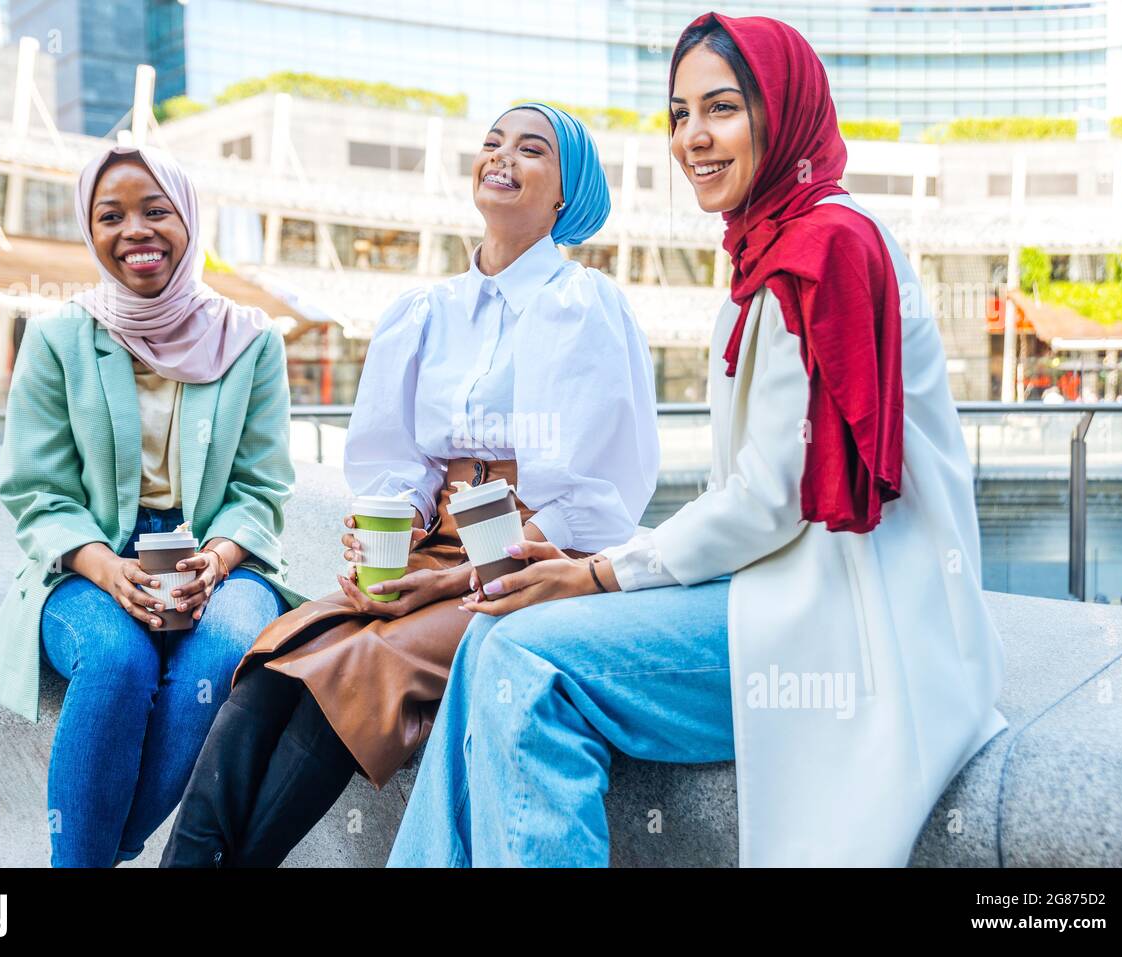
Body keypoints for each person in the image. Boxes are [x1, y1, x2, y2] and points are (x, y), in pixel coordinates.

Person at [387, 13, 1009, 868]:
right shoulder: (775, 245)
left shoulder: (825, 250)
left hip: (846, 623)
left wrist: (602, 570)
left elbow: (772, 496)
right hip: (782, 592)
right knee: (489, 640)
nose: (693, 138)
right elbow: (756, 497)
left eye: (721, 108)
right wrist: (605, 569)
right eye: (679, 114)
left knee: (524, 661)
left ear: (782, 111)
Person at [160, 103, 660, 867]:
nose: (502, 156)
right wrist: (380, 537)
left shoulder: (584, 305)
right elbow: (400, 465)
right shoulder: (427, 312)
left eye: (532, 150)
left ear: (566, 195)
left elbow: (598, 494)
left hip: (531, 559)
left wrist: (455, 577)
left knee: (360, 671)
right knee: (273, 665)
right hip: (431, 547)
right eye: (492, 142)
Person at [0, 144, 304, 867]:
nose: (136, 230)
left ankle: (98, 848)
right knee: (116, 657)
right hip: (85, 561)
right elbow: (37, 489)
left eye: (157, 211)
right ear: (89, 229)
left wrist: (216, 560)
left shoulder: (249, 341)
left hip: (220, 558)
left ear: (189, 219)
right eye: (111, 215)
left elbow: (261, 488)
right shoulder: (61, 336)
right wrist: (104, 566)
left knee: (226, 653)